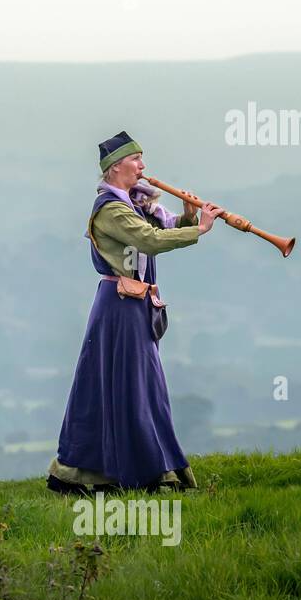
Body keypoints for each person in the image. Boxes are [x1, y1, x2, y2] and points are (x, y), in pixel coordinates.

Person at [51, 132, 222, 493]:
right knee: (122, 387)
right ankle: (129, 473)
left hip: (134, 306)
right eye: (136, 160)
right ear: (116, 168)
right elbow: (149, 240)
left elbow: (159, 228)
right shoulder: (112, 210)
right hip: (119, 308)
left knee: (141, 386)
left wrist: (191, 216)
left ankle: (143, 470)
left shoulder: (134, 205)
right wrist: (201, 231)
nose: (143, 167)